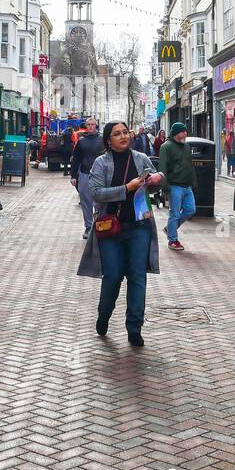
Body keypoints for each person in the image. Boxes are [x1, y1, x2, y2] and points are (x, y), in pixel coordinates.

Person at [77, 121, 164, 347]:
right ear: (108, 140)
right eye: (117, 134)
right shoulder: (101, 163)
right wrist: (126, 188)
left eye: (125, 132)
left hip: (139, 227)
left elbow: (152, 187)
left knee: (137, 276)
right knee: (113, 276)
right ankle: (103, 316)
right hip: (111, 229)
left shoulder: (141, 159)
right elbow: (96, 193)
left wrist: (158, 180)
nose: (123, 136)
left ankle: (134, 328)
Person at [157, 122, 198, 251]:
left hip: (187, 185)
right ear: (176, 133)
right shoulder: (166, 147)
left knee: (191, 210)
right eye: (183, 131)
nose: (185, 134)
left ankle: (170, 229)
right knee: (174, 214)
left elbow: (190, 165)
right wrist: (164, 186)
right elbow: (162, 167)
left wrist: (193, 181)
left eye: (186, 131)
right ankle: (173, 240)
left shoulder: (186, 146)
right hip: (174, 186)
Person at [71, 117, 104, 238]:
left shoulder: (102, 140)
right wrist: (74, 176)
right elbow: (76, 160)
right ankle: (89, 227)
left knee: (100, 202)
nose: (90, 126)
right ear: (86, 126)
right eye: (88, 124)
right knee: (86, 202)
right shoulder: (81, 141)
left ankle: (100, 226)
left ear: (96, 126)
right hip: (85, 174)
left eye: (93, 124)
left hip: (100, 175)